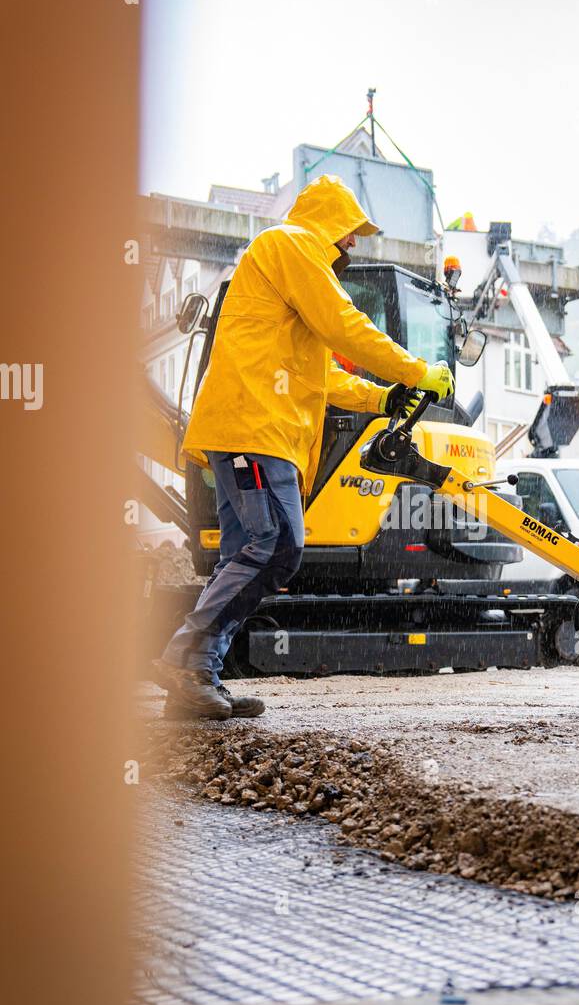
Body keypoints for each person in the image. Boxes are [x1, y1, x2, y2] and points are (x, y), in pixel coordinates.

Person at [153, 173, 454, 719]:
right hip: (255, 431)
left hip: (250, 432)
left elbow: (326, 380)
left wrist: (384, 397)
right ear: (329, 223)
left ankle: (196, 676)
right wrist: (417, 370)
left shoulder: (292, 279)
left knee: (245, 555)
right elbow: (346, 325)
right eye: (351, 233)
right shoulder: (288, 245)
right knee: (277, 546)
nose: (353, 244)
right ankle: (184, 656)